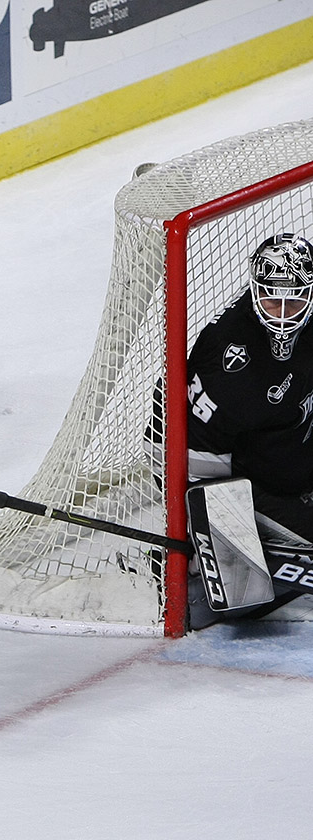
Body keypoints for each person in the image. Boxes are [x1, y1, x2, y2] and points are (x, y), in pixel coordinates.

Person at [181, 232, 313, 624]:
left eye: (296, 300)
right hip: (255, 481)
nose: (284, 314)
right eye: (273, 299)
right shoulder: (230, 364)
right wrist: (206, 534)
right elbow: (200, 457)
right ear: (255, 291)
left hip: (294, 448)